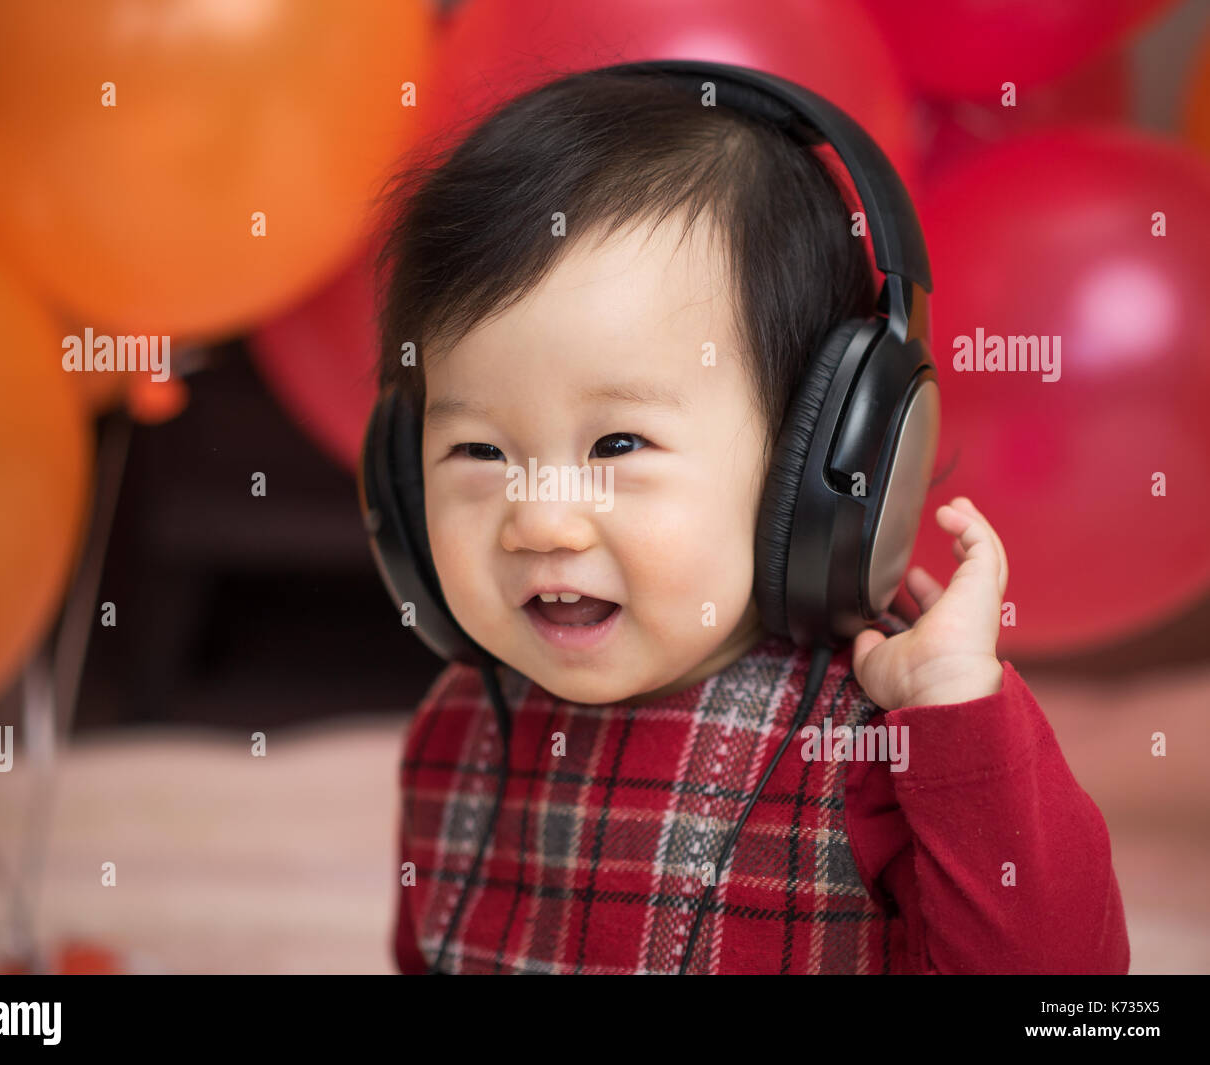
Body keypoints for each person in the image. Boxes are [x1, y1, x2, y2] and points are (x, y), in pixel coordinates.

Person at [372, 68, 1129, 974]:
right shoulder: (461, 726)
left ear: (818, 467)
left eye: (618, 443)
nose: (540, 521)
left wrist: (961, 716)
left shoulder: (879, 738)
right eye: (479, 453)